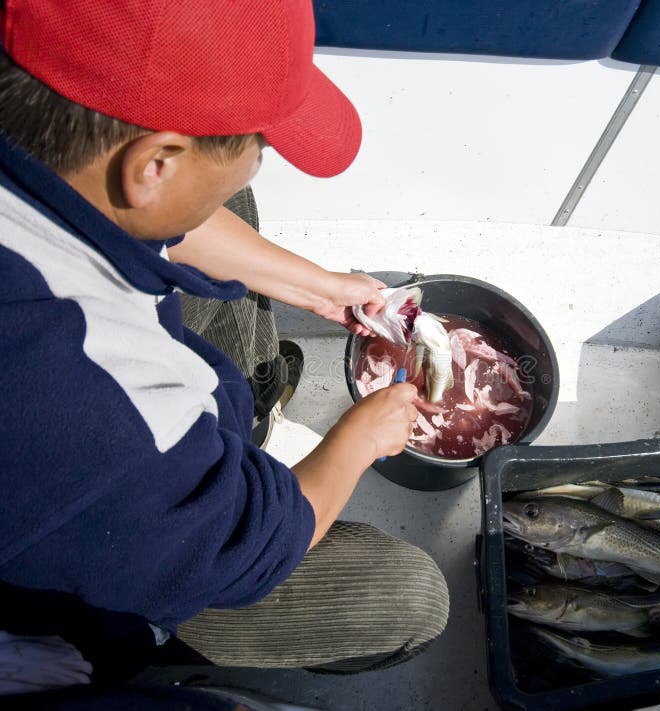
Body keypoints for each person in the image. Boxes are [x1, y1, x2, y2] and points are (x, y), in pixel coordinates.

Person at [0, 0, 449, 693]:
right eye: (256, 145)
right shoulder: (98, 418)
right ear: (153, 163)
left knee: (227, 209)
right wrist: (361, 436)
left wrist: (320, 287)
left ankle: (256, 422)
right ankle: (163, 665)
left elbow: (168, 221)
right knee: (412, 596)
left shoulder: (39, 131)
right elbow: (256, 541)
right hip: (85, 597)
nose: (259, 159)